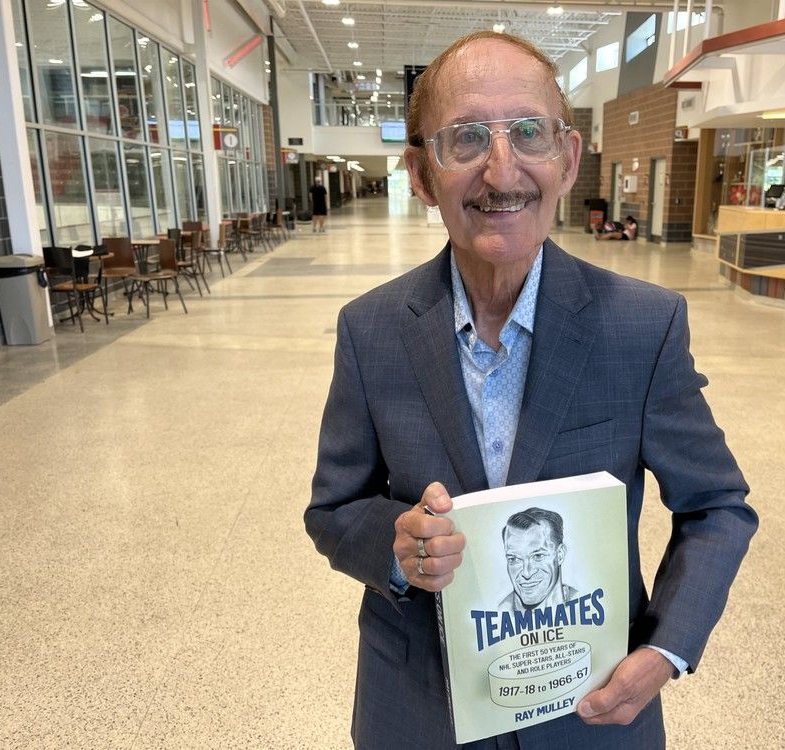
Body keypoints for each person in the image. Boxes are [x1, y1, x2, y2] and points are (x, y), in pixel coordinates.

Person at [306, 31, 757, 750]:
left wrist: (665, 652)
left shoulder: (643, 327)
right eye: (464, 141)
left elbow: (718, 508)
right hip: (421, 709)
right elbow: (333, 508)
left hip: (591, 708)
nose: (502, 169)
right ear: (420, 174)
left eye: (528, 133)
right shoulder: (372, 331)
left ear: (568, 159)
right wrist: (394, 546)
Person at [498, 507, 578, 613]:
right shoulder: (498, 615)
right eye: (514, 559)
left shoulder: (583, 603)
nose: (527, 573)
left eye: (538, 556)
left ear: (560, 555)